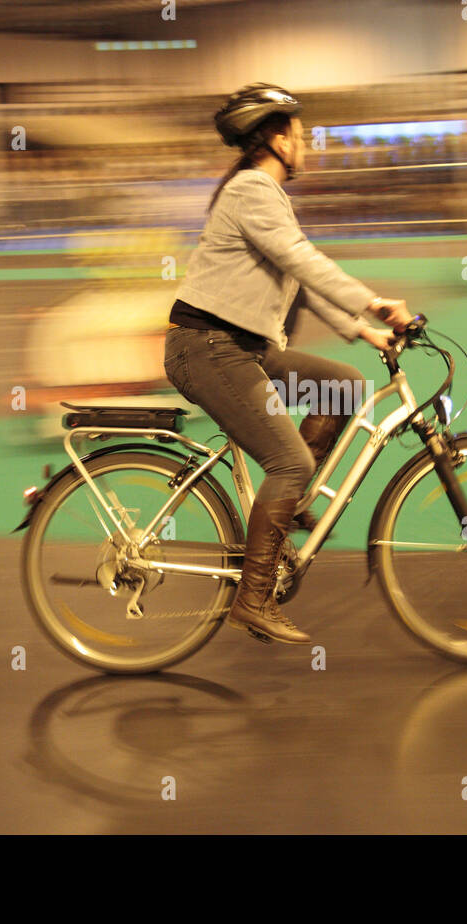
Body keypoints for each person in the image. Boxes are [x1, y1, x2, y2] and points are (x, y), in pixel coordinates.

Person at [164, 82, 415, 645]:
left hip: (241, 348)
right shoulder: (253, 189)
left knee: (344, 387)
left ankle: (289, 510)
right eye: (301, 135)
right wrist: (373, 301)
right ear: (277, 139)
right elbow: (303, 259)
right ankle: (253, 600)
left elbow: (298, 275)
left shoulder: (260, 193)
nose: (307, 146)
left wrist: (362, 328)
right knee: (291, 463)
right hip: (208, 349)